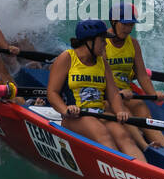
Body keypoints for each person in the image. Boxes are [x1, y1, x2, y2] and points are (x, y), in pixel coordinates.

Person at [46, 19, 146, 163]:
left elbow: (113, 94)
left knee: (123, 135)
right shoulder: (67, 58)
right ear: (89, 41)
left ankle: (142, 174)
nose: (106, 44)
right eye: (102, 40)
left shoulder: (102, 62)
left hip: (99, 113)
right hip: (76, 116)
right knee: (102, 133)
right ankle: (121, 173)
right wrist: (65, 109)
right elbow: (52, 92)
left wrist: (119, 111)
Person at [105, 2, 164, 151]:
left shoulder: (133, 44)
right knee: (125, 111)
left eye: (131, 25)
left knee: (141, 106)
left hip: (126, 93)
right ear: (114, 21)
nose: (128, 29)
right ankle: (144, 146)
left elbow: (142, 75)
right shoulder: (102, 43)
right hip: (105, 94)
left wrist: (153, 94)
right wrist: (117, 94)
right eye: (124, 24)